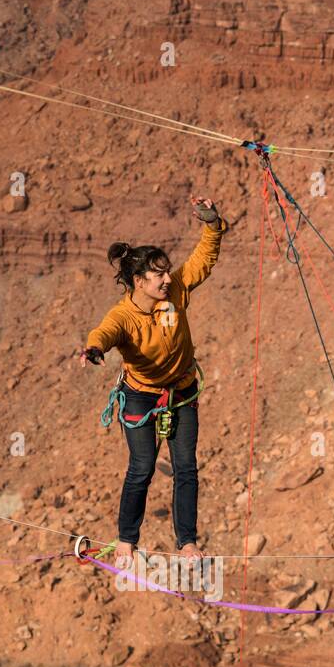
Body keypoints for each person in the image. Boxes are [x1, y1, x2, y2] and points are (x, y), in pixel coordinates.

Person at [78, 195, 227, 571]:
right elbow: (106, 331)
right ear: (137, 281)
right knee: (142, 467)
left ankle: (188, 543)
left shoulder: (175, 290)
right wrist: (95, 348)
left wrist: (211, 224)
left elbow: (203, 260)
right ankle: (127, 540)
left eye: (166, 272)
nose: (166, 278)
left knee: (185, 467)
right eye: (157, 274)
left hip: (181, 391)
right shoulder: (124, 315)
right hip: (141, 398)